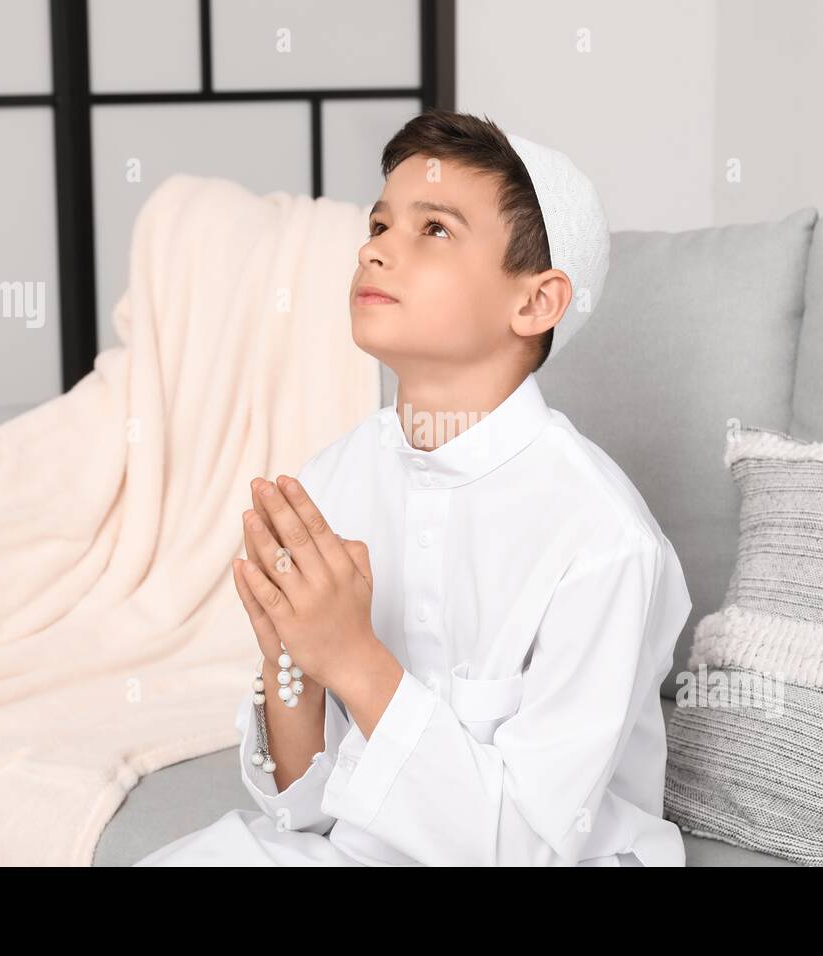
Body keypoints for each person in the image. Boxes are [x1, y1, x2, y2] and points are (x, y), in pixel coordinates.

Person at [133, 108, 692, 867]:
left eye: (433, 230)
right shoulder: (333, 479)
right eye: (379, 223)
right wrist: (286, 660)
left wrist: (352, 655)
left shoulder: (602, 541)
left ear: (535, 302)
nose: (376, 250)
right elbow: (300, 809)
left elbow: (526, 846)